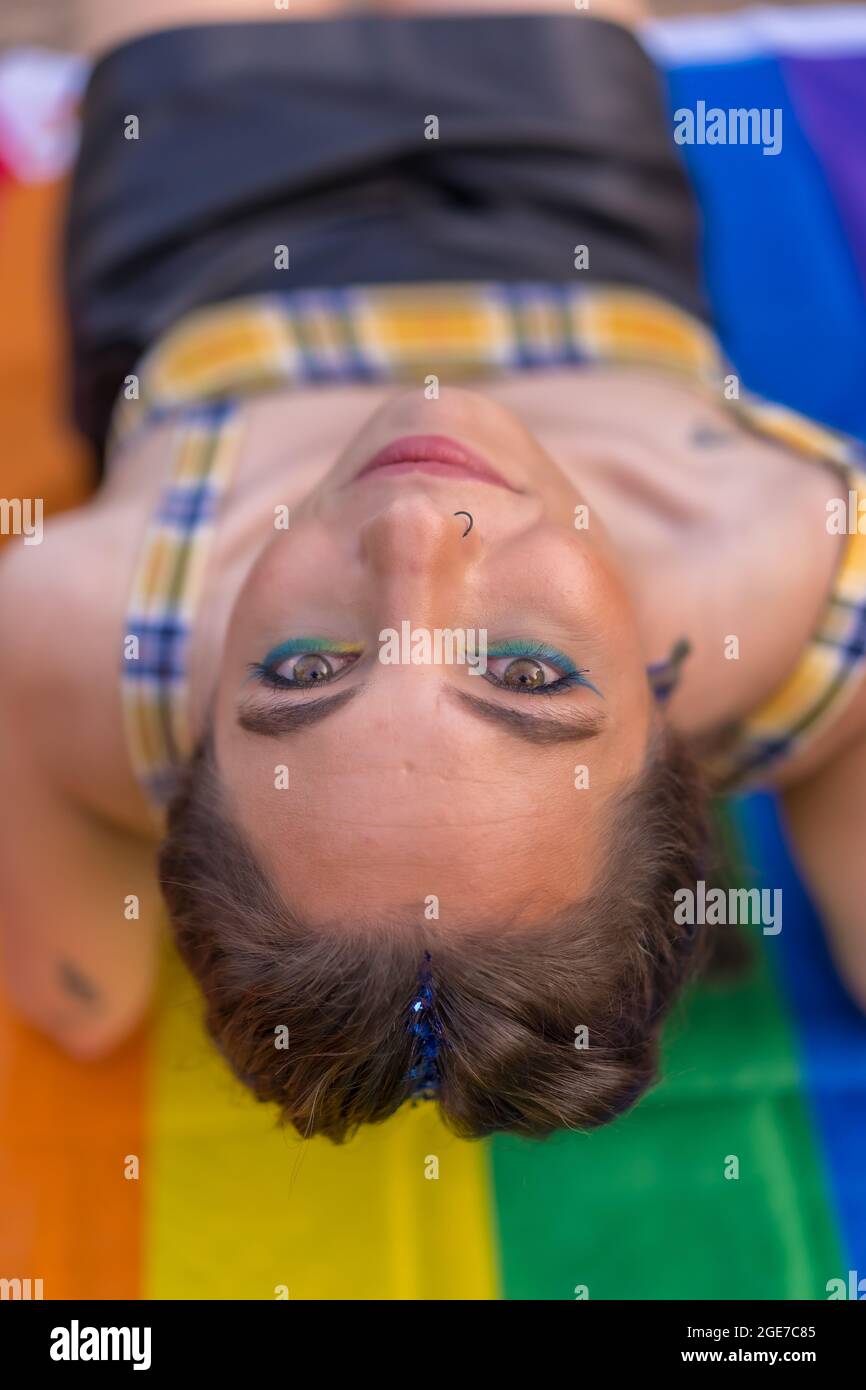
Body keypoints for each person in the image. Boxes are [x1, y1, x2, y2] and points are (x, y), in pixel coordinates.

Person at [1, 0, 864, 1142]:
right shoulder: (799, 585)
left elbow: (85, 996)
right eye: (526, 670)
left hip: (206, 178)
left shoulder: (73, 632)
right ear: (673, 742)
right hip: (560, 156)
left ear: (191, 749)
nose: (414, 530)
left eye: (304, 666)